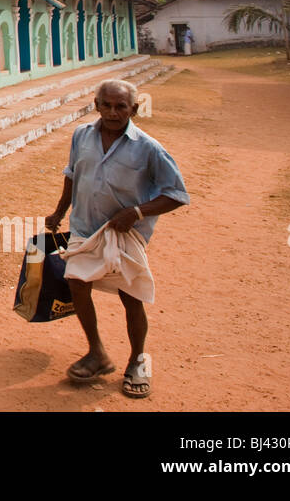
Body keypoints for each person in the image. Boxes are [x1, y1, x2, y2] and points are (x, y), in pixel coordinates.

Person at [45, 79, 188, 398]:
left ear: (133, 109)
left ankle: (138, 359)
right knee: (77, 283)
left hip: (125, 234)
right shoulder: (81, 136)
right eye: (106, 105)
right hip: (85, 229)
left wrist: (135, 213)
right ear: (96, 105)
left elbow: (177, 194)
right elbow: (72, 176)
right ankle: (97, 352)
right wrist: (58, 213)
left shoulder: (149, 148)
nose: (113, 112)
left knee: (131, 296)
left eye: (121, 106)